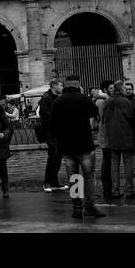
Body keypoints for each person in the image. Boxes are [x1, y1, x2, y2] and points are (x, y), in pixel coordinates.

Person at [49, 75, 105, 220]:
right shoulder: (84, 99)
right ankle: (90, 207)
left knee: (74, 178)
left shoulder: (57, 101)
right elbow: (95, 114)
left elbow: (52, 125)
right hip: (84, 144)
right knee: (88, 177)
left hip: (66, 147)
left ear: (65, 85)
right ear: (78, 84)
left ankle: (77, 208)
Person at [101, 82, 135, 199]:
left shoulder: (108, 102)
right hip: (126, 136)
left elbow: (103, 119)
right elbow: (132, 119)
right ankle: (129, 190)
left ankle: (115, 190)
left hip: (112, 137)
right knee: (128, 163)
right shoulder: (126, 102)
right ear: (120, 89)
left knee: (114, 164)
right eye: (123, 88)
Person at [38, 79, 64, 191]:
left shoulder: (59, 97)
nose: (62, 87)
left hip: (58, 131)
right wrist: (56, 116)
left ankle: (54, 182)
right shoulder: (47, 97)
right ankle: (47, 182)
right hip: (50, 131)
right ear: (54, 86)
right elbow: (43, 113)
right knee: (53, 156)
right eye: (60, 85)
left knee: (58, 157)